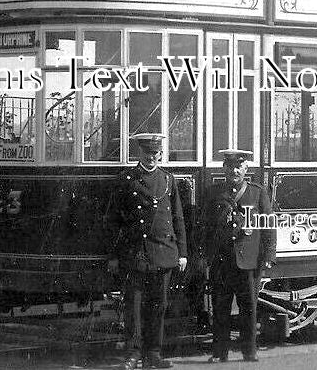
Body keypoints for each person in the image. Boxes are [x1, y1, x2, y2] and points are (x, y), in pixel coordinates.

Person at [107, 134, 188, 370]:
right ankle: (133, 354)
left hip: (163, 252)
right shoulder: (126, 179)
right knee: (134, 306)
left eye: (155, 154)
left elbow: (177, 218)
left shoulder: (167, 180)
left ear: (160, 155)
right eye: (146, 154)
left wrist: (182, 252)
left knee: (158, 305)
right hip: (136, 254)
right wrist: (113, 255)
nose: (151, 158)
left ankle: (153, 353)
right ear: (139, 154)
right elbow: (113, 220)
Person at [198, 149, 276, 363]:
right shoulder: (213, 193)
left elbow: (269, 226)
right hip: (221, 261)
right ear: (224, 168)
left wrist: (269, 254)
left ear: (246, 169)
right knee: (220, 308)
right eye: (230, 166)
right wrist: (204, 255)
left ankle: (249, 352)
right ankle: (219, 353)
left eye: (239, 166)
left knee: (249, 308)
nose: (234, 170)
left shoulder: (257, 193)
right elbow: (204, 226)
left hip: (249, 261)